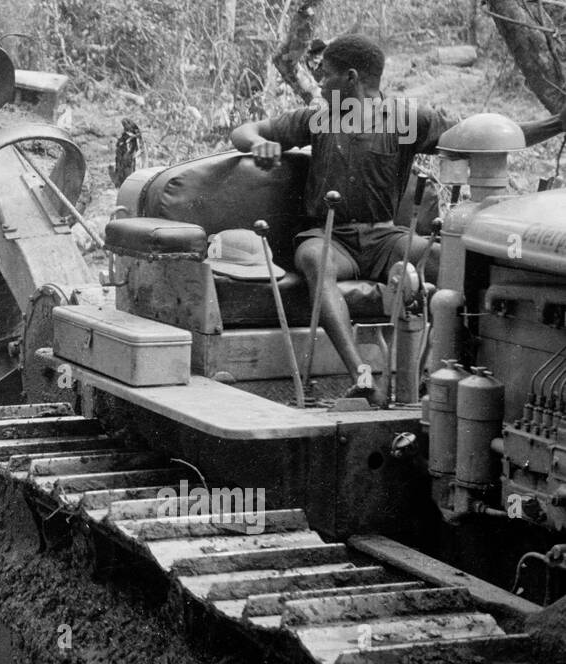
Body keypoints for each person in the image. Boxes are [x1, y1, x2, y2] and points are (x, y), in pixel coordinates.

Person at [231, 34, 566, 406]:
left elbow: (487, 138)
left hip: (385, 240)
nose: (321, 84)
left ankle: (452, 373)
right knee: (315, 259)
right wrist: (257, 143)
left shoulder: (406, 120)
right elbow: (246, 131)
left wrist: (556, 123)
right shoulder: (318, 119)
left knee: (453, 261)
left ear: (351, 78)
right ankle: (361, 376)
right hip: (329, 237)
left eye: (325, 75)